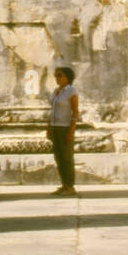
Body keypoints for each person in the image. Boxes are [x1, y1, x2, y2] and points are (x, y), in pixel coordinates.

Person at [47, 65, 79, 197]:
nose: (57, 78)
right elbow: (52, 110)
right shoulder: (56, 91)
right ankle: (64, 184)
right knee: (58, 157)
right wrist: (48, 127)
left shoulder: (71, 91)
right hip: (55, 127)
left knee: (67, 157)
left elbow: (75, 111)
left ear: (67, 77)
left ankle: (70, 186)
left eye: (59, 75)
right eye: (55, 75)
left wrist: (71, 130)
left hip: (65, 127)